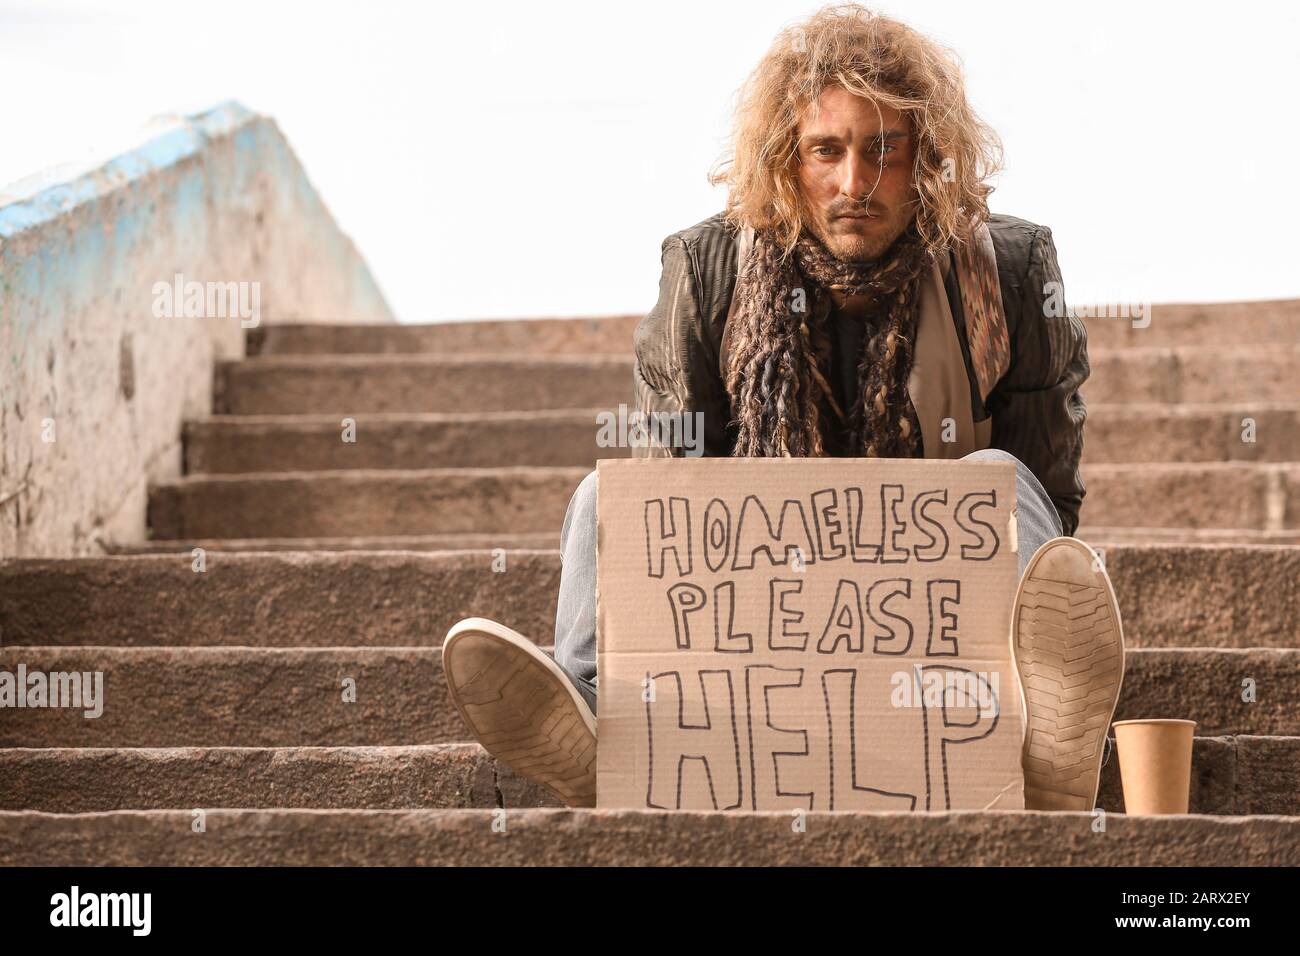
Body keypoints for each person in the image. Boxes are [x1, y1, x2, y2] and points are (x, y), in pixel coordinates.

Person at [442, 4, 1124, 813]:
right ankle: (595, 726)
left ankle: (1040, 733)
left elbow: (1049, 493)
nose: (853, 184)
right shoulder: (707, 268)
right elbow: (671, 507)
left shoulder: (1001, 270)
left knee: (1002, 478)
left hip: (940, 645)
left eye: (883, 150)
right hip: (753, 635)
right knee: (606, 500)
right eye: (825, 150)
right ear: (784, 159)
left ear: (926, 156)